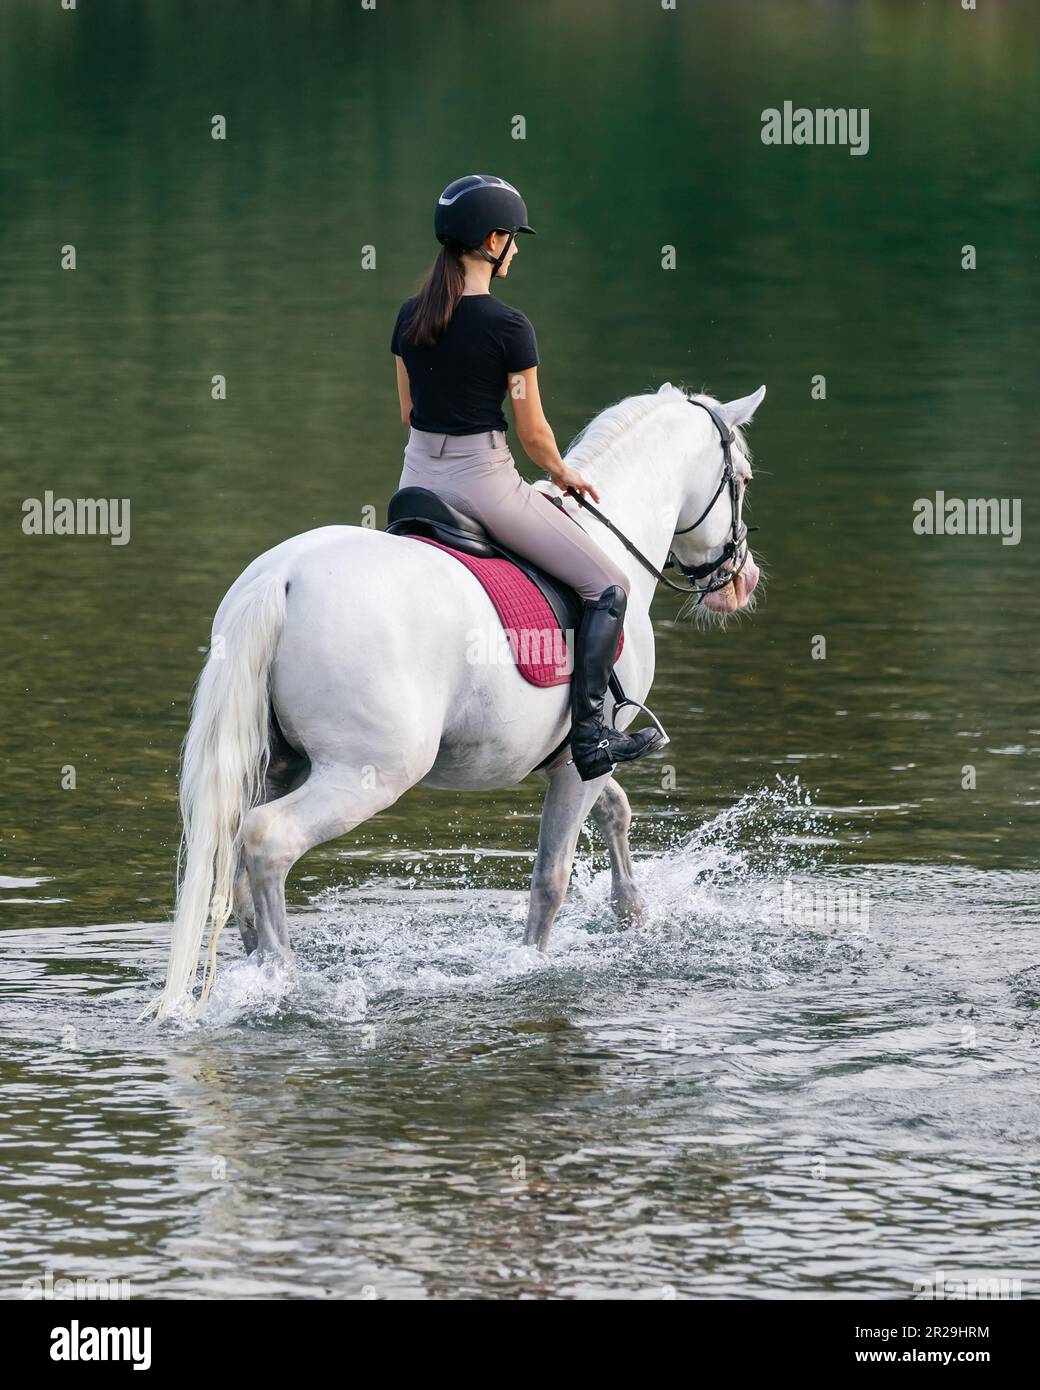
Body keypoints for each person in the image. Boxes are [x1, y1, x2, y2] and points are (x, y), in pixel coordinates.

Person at [391, 174, 661, 782]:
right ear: (493, 241)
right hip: (483, 485)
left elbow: (408, 413)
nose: (517, 249)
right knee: (608, 586)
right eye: (514, 238)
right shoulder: (508, 327)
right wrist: (565, 474)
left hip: (415, 481)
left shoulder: (411, 317)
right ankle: (591, 738)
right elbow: (535, 436)